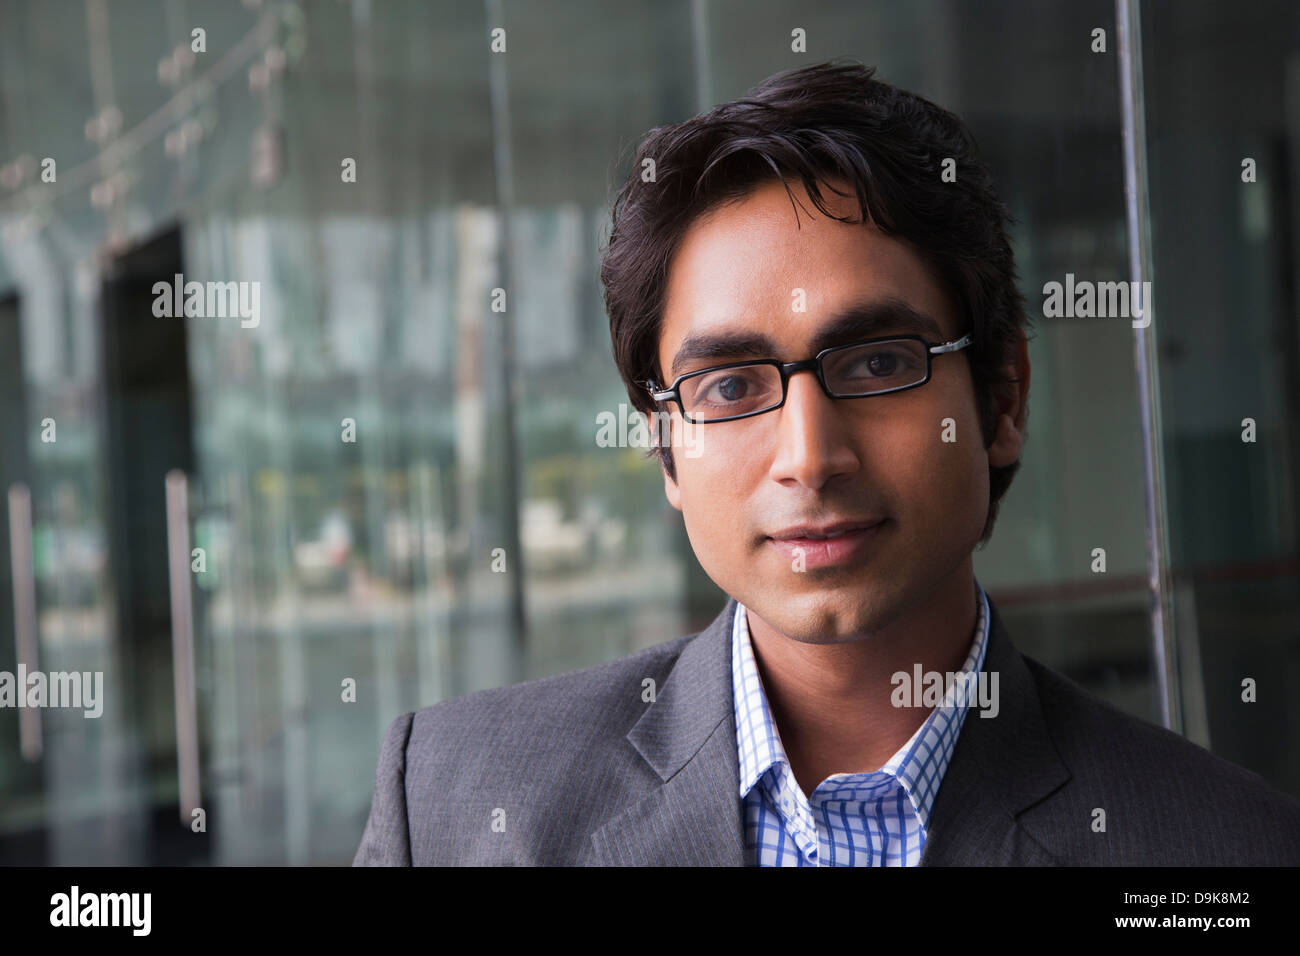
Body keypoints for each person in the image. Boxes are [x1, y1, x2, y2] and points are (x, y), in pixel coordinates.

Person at [354, 60, 1300, 866]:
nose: (809, 458)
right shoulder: (451, 805)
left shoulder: (1211, 849)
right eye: (729, 386)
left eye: (879, 364)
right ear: (666, 448)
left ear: (1001, 400)